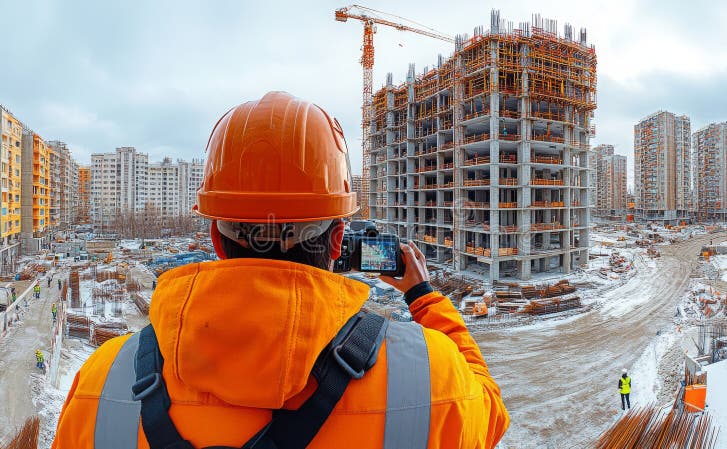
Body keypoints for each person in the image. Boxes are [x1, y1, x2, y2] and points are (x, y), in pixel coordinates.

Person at [53, 92, 509, 449]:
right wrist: (423, 296)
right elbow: (491, 413)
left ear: (215, 238)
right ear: (337, 242)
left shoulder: (102, 384)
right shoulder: (429, 377)